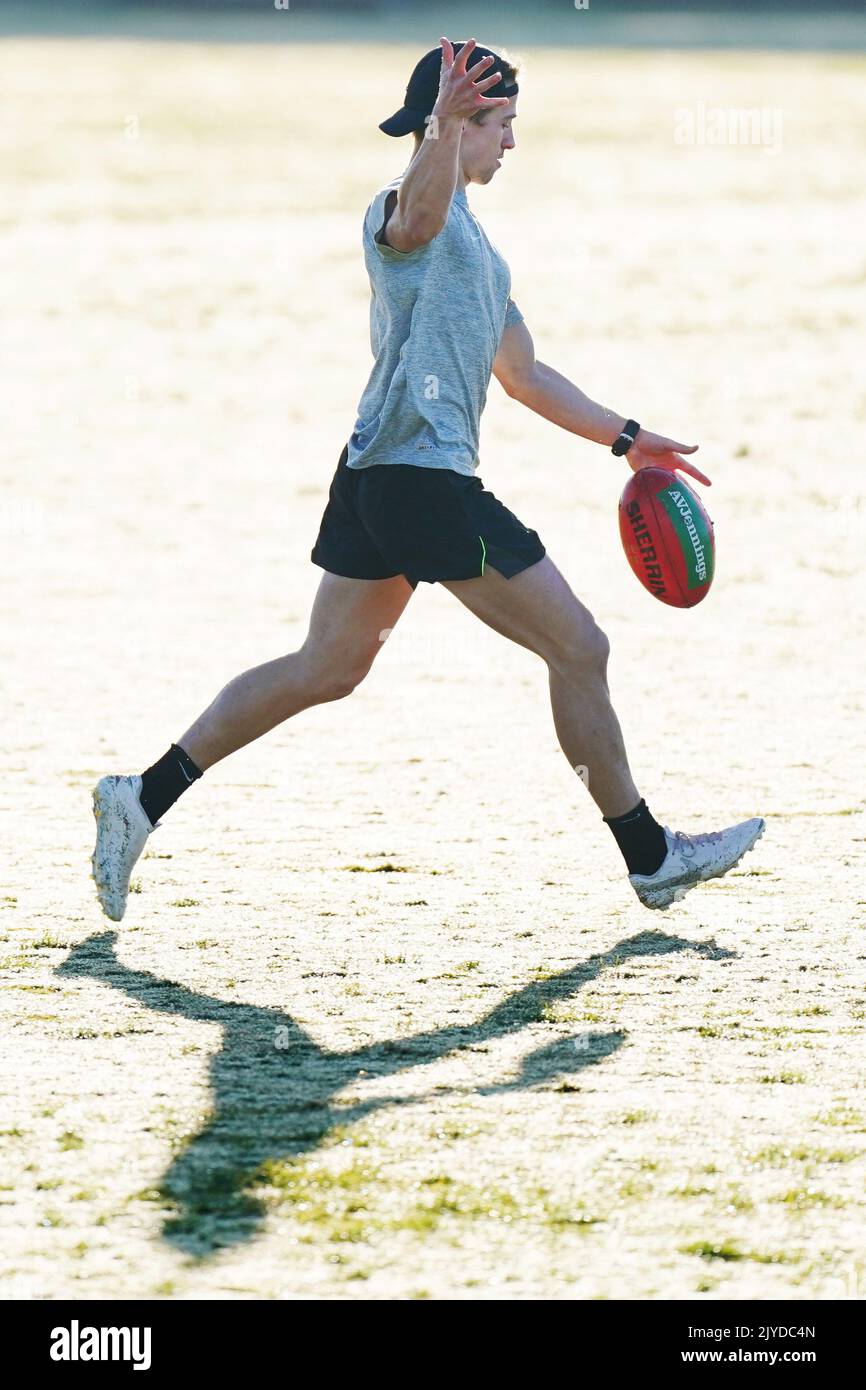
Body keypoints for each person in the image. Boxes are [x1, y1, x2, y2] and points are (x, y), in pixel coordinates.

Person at [91, 37, 764, 924]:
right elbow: (414, 217)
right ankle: (650, 858)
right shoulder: (405, 214)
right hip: (420, 484)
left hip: (382, 479)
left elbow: (523, 374)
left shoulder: (481, 251)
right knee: (581, 648)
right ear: (452, 124)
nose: (511, 146)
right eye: (502, 125)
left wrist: (628, 438)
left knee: (326, 667)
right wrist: (443, 130)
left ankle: (140, 797)